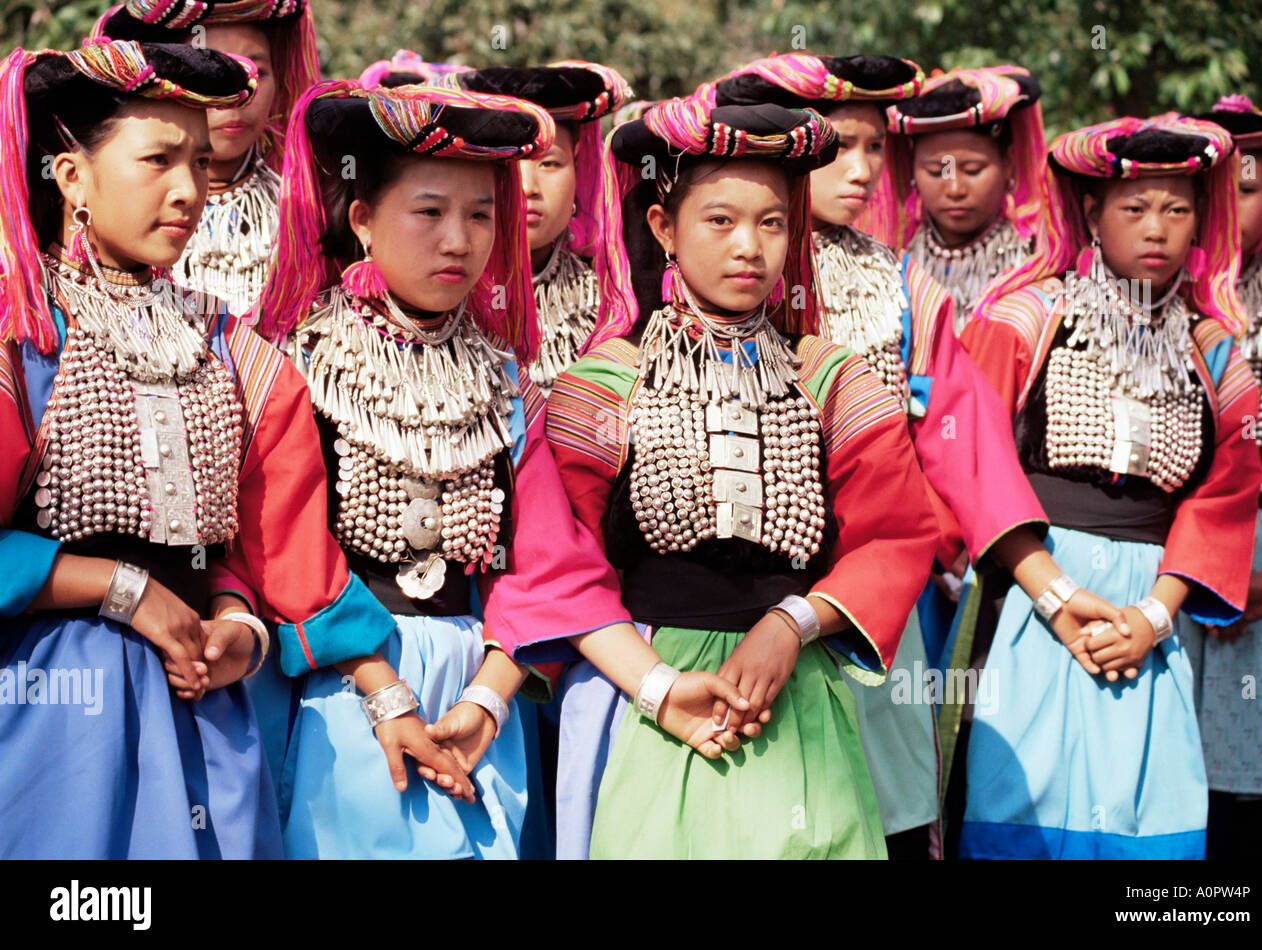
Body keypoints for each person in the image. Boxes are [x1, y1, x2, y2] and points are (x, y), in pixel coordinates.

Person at [250, 80, 718, 858]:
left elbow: (549, 568)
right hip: (336, 690)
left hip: (475, 698)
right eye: (429, 212)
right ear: (362, 219)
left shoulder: (504, 383)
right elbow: (289, 553)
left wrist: (492, 700)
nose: (459, 241)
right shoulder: (302, 364)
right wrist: (386, 693)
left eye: (479, 215)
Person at [709, 51, 1127, 860]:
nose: (865, 169)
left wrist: (1053, 591)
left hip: (869, 608)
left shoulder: (904, 287)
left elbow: (968, 451)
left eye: (876, 147)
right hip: (725, 611)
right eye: (839, 146)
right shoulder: (698, 278)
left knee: (882, 816)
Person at [0, 39, 393, 858]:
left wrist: (239, 626)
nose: (189, 190)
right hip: (49, 704)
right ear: (71, 177)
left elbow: (262, 547)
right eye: (158, 160)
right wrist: (119, 588)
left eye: (201, 163)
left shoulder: (233, 351)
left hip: (202, 708)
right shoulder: (22, 335)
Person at [538, 94, 942, 858]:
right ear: (663, 228)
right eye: (720, 221)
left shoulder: (833, 381)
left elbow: (894, 538)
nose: (749, 247)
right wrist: (655, 684)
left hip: (795, 692)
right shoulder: (603, 385)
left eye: (772, 223)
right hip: (643, 694)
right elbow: (560, 563)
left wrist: (793, 624)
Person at [956, 114, 1262, 858]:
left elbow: (1223, 495)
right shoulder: (1025, 319)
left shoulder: (1215, 351)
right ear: (1091, 213)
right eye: (1135, 207)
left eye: (1177, 208)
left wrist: (1154, 617)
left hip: (1147, 612)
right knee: (1018, 812)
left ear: (1201, 220)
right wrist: (1053, 592)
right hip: (1027, 593)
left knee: (1144, 827)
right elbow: (970, 458)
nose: (1157, 228)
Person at [1182, 96, 1262, 859]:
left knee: (1256, 809)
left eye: (1247, 188)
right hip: (1157, 572)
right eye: (1210, 191)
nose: (1228, 206)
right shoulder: (1150, 297)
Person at [95, 0, 321, 314]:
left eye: (257, 72)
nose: (238, 97)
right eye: (211, 69)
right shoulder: (118, 211)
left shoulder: (307, 210)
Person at [446, 62, 633, 394]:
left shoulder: (615, 299)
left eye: (549, 163)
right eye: (507, 164)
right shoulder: (440, 297)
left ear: (578, 168)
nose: (527, 187)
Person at [880, 66, 1045, 334]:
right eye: (937, 172)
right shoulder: (887, 266)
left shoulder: (1038, 265)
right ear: (911, 170)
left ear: (1009, 165)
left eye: (973, 170)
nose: (955, 189)